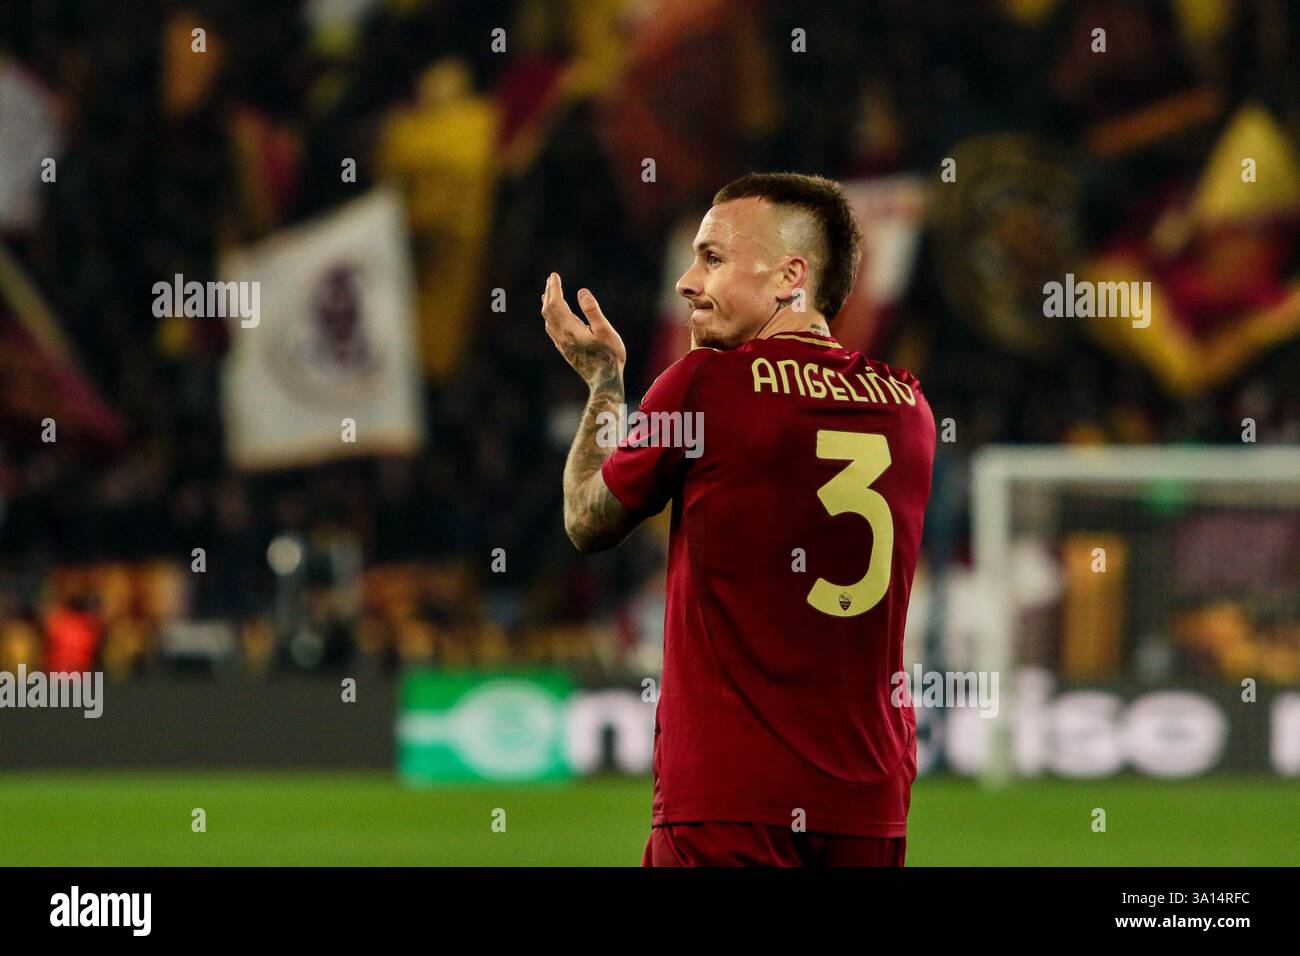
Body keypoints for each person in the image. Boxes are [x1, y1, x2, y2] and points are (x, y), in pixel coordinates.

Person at [542, 172, 935, 866]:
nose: (688, 282)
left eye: (713, 258)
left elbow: (586, 519)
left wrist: (605, 383)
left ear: (791, 277)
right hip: (868, 806)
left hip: (730, 802)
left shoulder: (706, 384)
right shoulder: (909, 407)